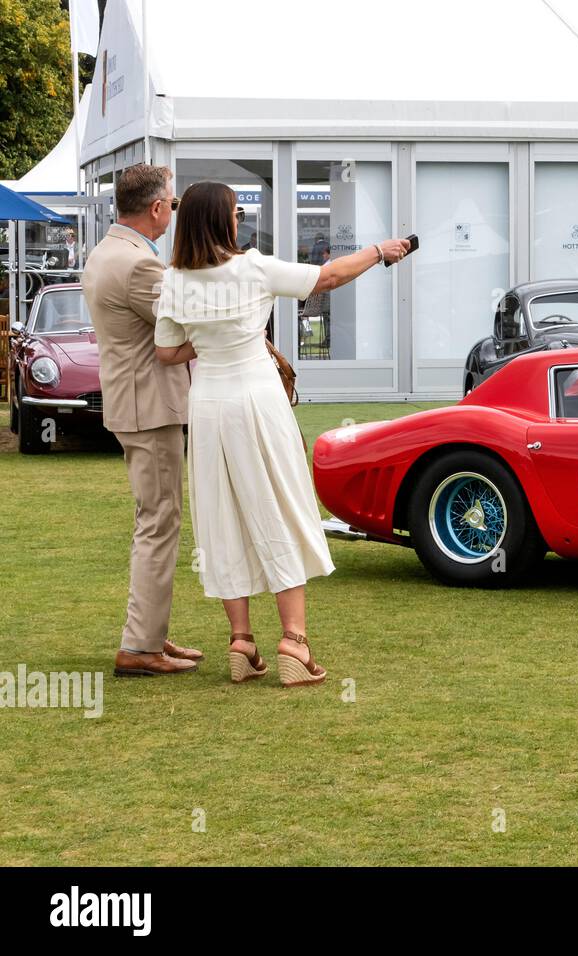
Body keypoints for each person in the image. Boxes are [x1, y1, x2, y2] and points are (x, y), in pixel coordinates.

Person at [153, 181, 409, 686]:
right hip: (257, 399)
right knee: (280, 505)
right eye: (235, 209)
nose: (239, 216)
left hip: (208, 406)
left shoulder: (175, 280)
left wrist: (209, 344)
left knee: (222, 514)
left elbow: (166, 352)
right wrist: (380, 250)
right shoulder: (253, 266)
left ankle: (241, 641)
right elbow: (328, 277)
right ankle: (294, 641)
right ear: (223, 219)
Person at [81, 164, 203, 677]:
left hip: (136, 405)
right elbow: (179, 327)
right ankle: (140, 645)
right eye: (172, 204)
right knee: (159, 522)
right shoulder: (137, 265)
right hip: (148, 408)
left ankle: (150, 633)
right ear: (156, 208)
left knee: (153, 520)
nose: (173, 212)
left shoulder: (105, 253)